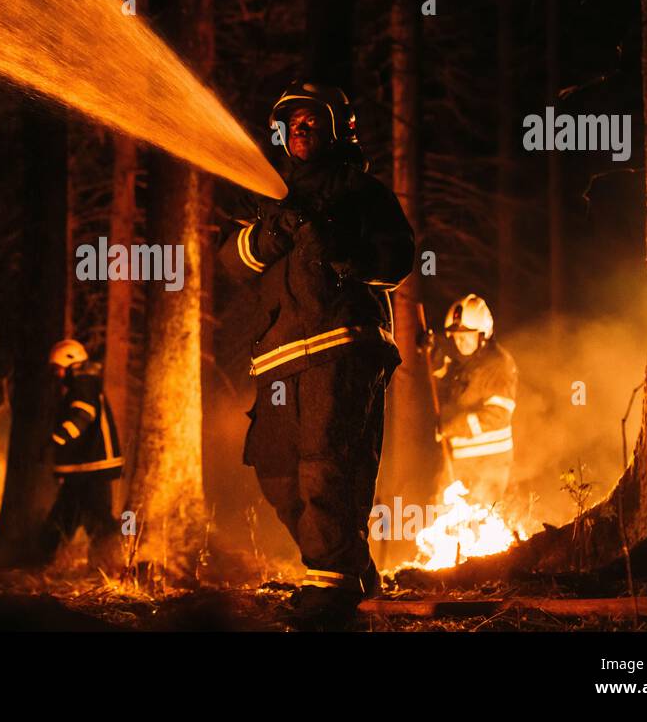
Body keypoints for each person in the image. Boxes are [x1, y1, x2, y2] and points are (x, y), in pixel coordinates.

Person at [219, 81, 415, 628]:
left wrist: (348, 256)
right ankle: (348, 569)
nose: (300, 128)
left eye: (311, 119)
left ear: (336, 127)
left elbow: (397, 258)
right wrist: (272, 232)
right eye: (292, 121)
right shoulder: (266, 195)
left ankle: (330, 588)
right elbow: (231, 263)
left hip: (341, 345)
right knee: (278, 471)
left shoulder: (361, 191)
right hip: (279, 358)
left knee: (328, 466)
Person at [40, 339, 123, 566]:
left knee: (96, 522)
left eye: (58, 368)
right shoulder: (86, 384)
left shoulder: (83, 384)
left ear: (70, 364)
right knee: (67, 519)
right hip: (85, 468)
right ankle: (43, 565)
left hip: (92, 467)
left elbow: (83, 416)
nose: (57, 374)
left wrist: (58, 438)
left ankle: (109, 566)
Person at [431, 294, 518, 505]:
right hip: (460, 463)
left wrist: (451, 427)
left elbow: (497, 416)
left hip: (489, 466)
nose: (459, 341)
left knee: (482, 526)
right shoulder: (466, 361)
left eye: (466, 336)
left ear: (483, 335)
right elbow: (442, 370)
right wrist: (430, 347)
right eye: (455, 336)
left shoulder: (498, 365)